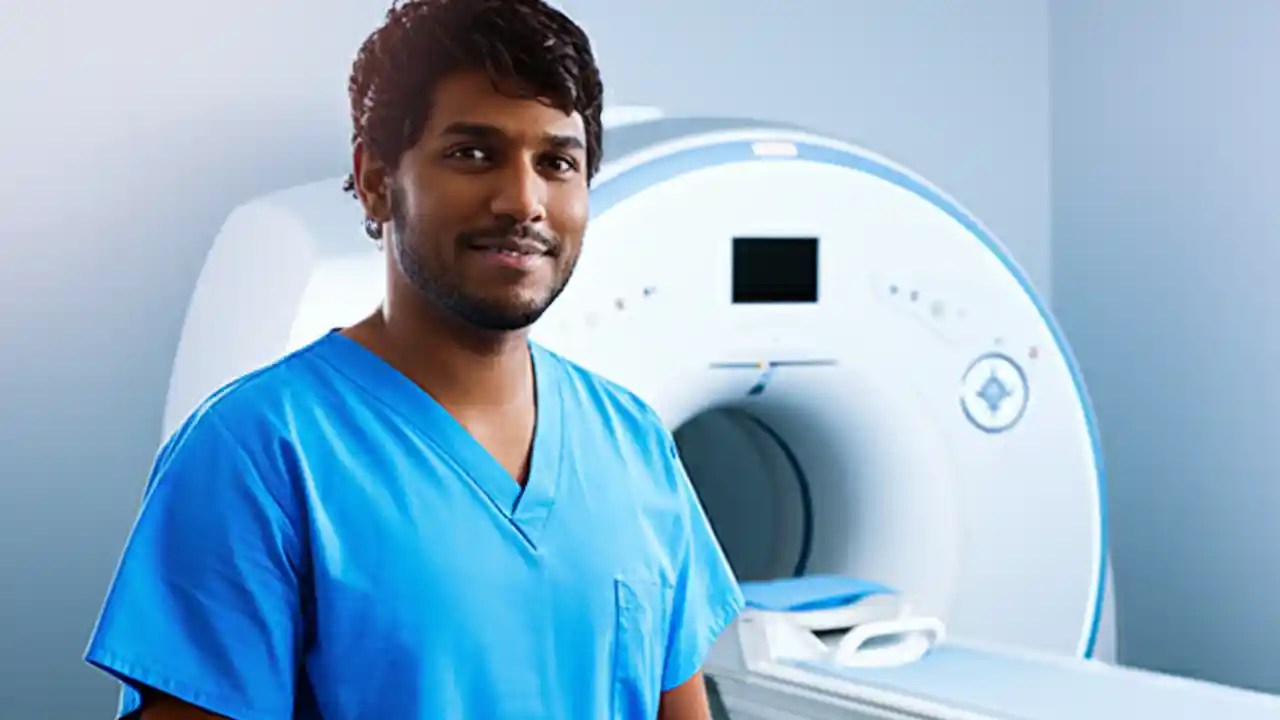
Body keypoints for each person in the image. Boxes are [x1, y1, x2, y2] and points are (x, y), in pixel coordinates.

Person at [82, 0, 744, 718]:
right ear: (374, 180)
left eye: (556, 162)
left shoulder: (633, 443)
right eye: (472, 153)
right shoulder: (258, 452)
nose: (523, 200)